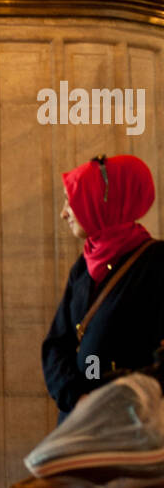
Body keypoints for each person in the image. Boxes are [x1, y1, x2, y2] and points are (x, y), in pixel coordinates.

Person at [42, 154, 164, 419]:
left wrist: (121, 401)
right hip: (80, 424)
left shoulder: (156, 263)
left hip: (132, 429)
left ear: (100, 201)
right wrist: (78, 399)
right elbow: (56, 345)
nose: (64, 213)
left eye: (72, 200)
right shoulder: (84, 266)